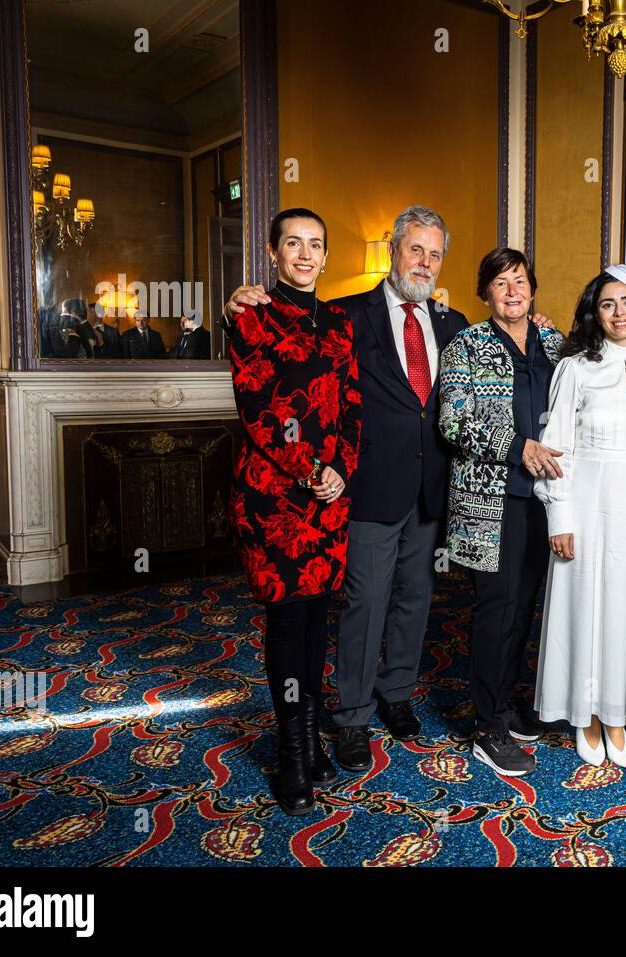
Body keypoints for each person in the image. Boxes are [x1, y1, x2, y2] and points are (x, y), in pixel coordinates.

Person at [225, 206, 468, 773]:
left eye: (435, 254)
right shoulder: (347, 314)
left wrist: (548, 328)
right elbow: (283, 381)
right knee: (363, 602)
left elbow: (498, 350)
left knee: (415, 599)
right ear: (393, 252)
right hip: (360, 486)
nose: (425, 262)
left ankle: (397, 692)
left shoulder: (452, 322)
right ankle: (353, 713)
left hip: (424, 484)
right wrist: (235, 301)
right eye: (416, 250)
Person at [227, 207, 361, 815]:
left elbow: (353, 405)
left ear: (326, 256)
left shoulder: (339, 321)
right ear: (274, 252)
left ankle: (309, 741)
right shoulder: (250, 315)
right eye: (293, 244)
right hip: (275, 496)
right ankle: (290, 752)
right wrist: (309, 469)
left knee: (315, 621)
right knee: (286, 620)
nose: (305, 254)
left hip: (329, 496)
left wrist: (341, 470)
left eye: (316, 244)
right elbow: (257, 409)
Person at [534, 265, 626, 769]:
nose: (619, 313)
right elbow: (557, 448)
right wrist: (560, 518)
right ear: (595, 314)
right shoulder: (575, 367)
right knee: (585, 606)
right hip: (586, 504)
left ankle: (615, 713)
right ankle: (585, 714)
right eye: (607, 304)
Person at [439, 247, 565, 777]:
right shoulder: (466, 345)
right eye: (500, 284)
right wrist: (520, 448)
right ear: (485, 293)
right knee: (496, 607)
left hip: (547, 498)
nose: (512, 292)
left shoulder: (555, 342)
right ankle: (487, 724)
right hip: (491, 500)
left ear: (532, 289)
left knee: (525, 606)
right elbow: (452, 420)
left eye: (520, 282)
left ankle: (508, 703)